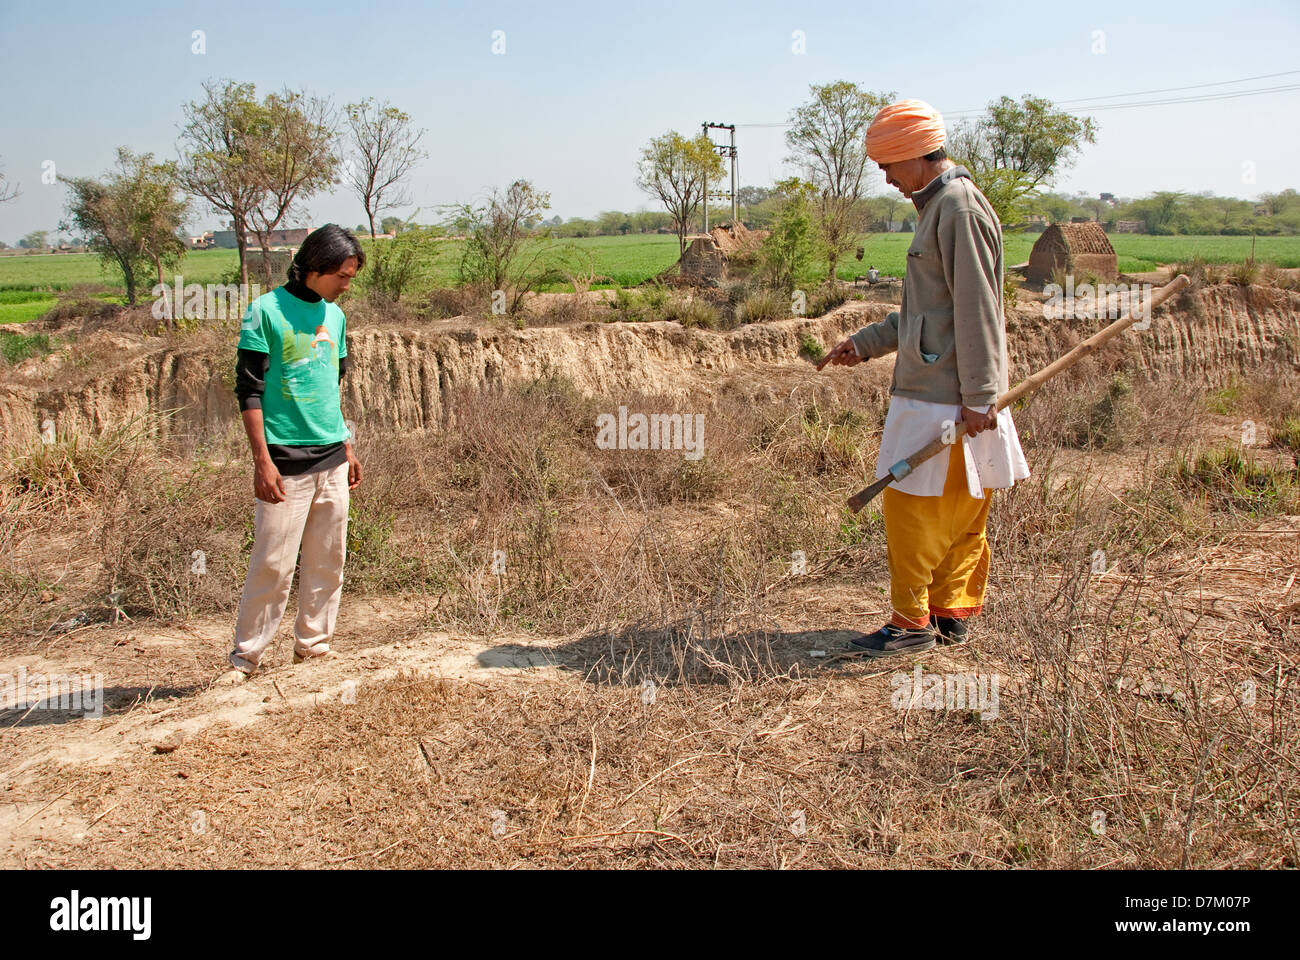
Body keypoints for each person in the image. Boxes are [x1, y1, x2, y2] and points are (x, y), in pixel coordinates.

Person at [822, 100, 1029, 658]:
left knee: (915, 511)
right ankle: (947, 616)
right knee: (956, 509)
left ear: (915, 153)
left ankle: (912, 624)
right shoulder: (940, 207)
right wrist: (865, 343)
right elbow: (925, 313)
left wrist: (980, 396)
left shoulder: (957, 208)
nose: (887, 178)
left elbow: (977, 309)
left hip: (946, 400)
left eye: (888, 165)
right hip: (946, 397)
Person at [215, 224, 365, 684]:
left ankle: (313, 647)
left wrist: (347, 444)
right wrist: (262, 461)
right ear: (315, 267)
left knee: (328, 560)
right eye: (342, 276)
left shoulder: (335, 318)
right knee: (273, 564)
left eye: (351, 277)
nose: (346, 285)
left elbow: (332, 386)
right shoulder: (264, 311)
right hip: (284, 462)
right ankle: (245, 659)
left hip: (332, 459)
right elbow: (248, 391)